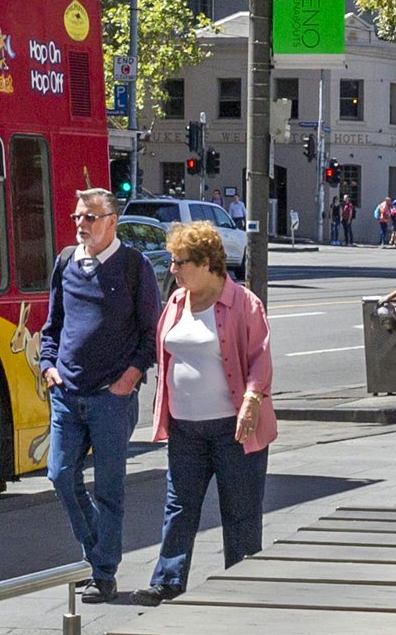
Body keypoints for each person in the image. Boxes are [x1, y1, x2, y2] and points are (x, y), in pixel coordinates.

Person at [28, 186, 161, 602]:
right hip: (67, 393)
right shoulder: (66, 262)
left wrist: (128, 379)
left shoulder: (133, 267)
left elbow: (150, 335)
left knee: (109, 488)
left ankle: (103, 573)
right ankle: (98, 552)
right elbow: (52, 325)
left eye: (90, 217)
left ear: (111, 221)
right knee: (60, 476)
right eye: (78, 218)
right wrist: (49, 367)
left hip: (111, 398)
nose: (81, 225)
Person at [144, 220, 273, 596]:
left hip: (234, 428)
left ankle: (241, 583)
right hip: (185, 427)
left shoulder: (243, 303)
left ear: (206, 263)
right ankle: (167, 581)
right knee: (179, 506)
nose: (173, 270)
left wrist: (251, 401)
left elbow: (260, 359)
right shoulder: (175, 302)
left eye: (179, 262)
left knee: (240, 511)